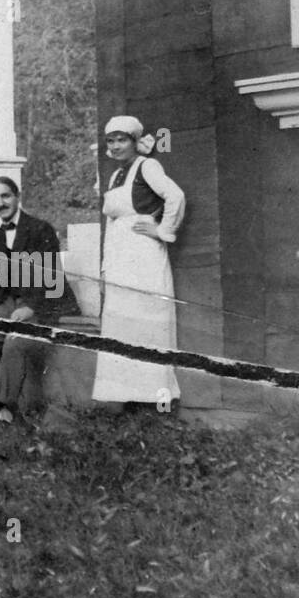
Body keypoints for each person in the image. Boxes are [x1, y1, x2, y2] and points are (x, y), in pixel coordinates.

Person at [91, 115, 185, 409]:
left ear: (135, 141)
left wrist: (163, 231)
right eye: (112, 141)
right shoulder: (114, 176)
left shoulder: (148, 166)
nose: (116, 146)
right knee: (122, 326)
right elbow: (111, 222)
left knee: (149, 326)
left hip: (143, 257)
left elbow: (176, 196)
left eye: (122, 140)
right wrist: (106, 267)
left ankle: (158, 401)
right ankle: (127, 399)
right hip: (120, 257)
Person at [0, 177, 67, 424]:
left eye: (5, 196)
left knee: (14, 343)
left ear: (18, 196)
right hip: (6, 307)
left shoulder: (41, 230)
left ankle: (4, 407)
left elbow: (54, 280)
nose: (1, 203)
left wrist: (30, 308)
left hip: (38, 309)